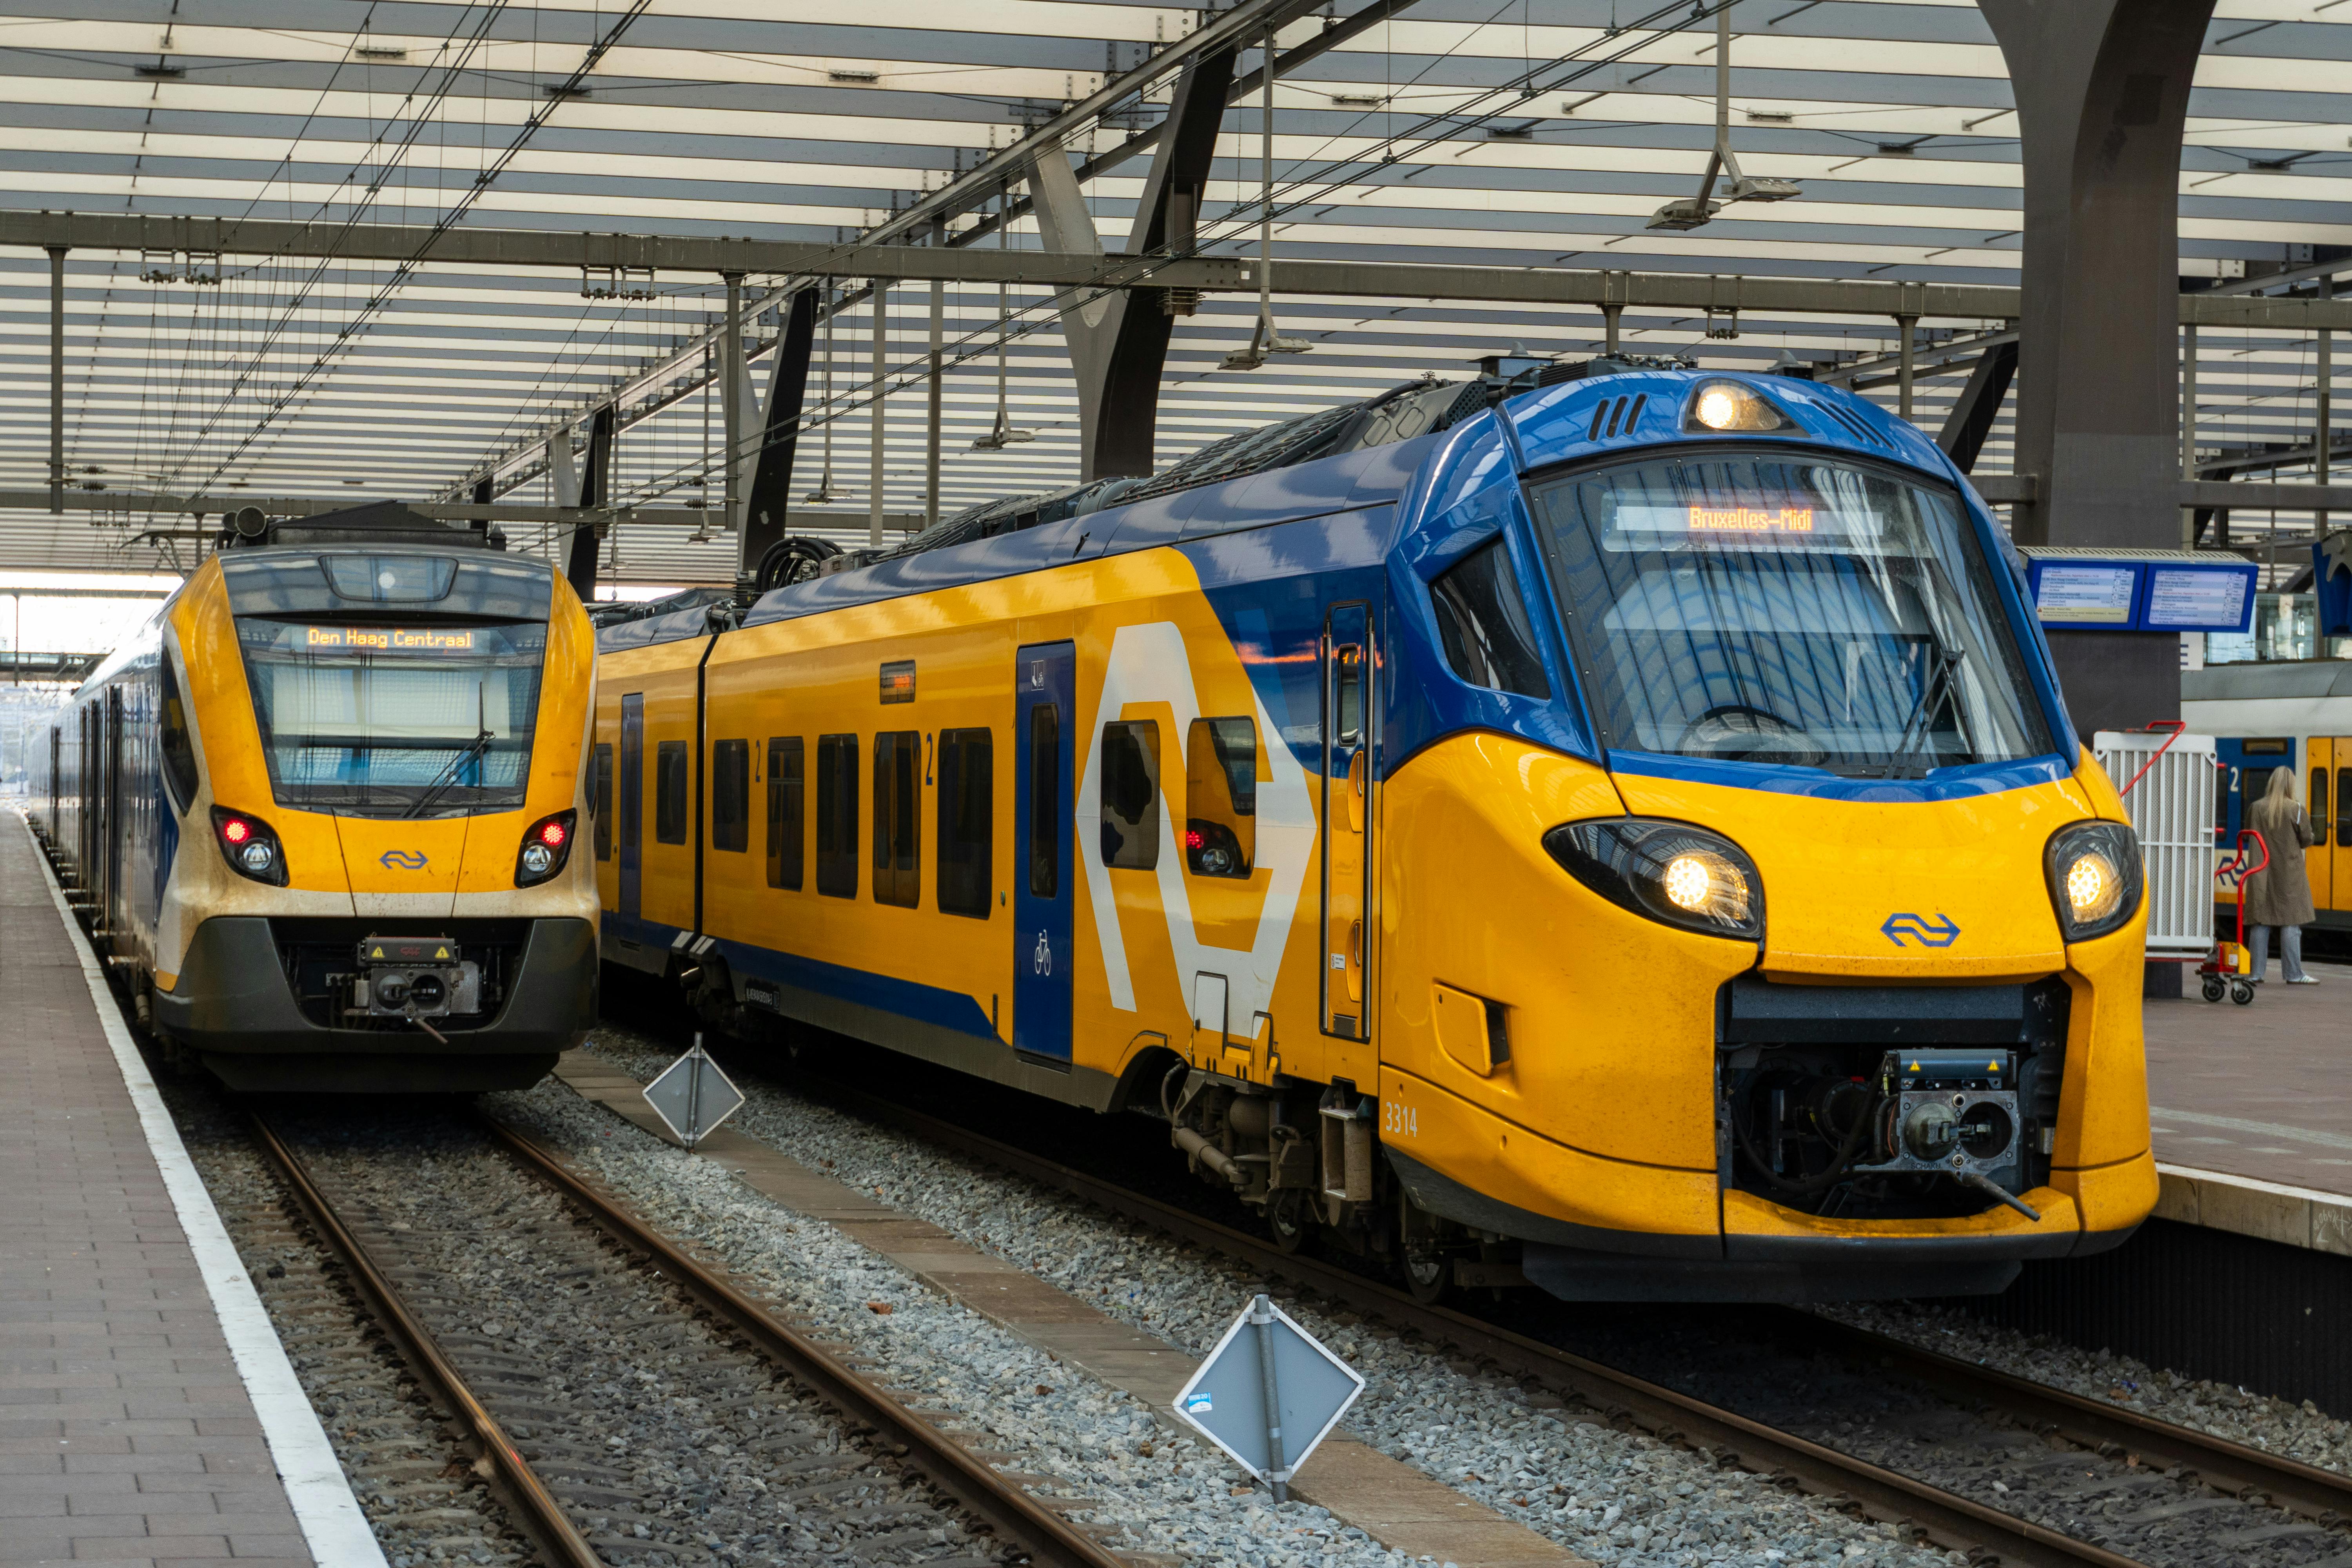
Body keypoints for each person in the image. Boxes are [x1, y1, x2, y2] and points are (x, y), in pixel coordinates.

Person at [2244, 766, 2319, 985]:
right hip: (2289, 874)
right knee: (2291, 923)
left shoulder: (2256, 808)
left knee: (2260, 921)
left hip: (2261, 871)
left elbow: (2250, 834)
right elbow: (2307, 839)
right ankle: (2293, 974)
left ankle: (2256, 974)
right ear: (2291, 785)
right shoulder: (2296, 809)